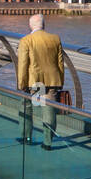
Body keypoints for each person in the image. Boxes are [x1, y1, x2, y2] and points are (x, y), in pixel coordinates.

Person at [16, 14, 65, 147]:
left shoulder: (26, 40)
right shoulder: (55, 39)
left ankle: (26, 137)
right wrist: (60, 81)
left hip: (35, 81)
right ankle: (47, 142)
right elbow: (60, 63)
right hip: (52, 80)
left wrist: (21, 84)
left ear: (30, 25)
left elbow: (23, 64)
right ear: (44, 25)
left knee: (26, 107)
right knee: (48, 109)